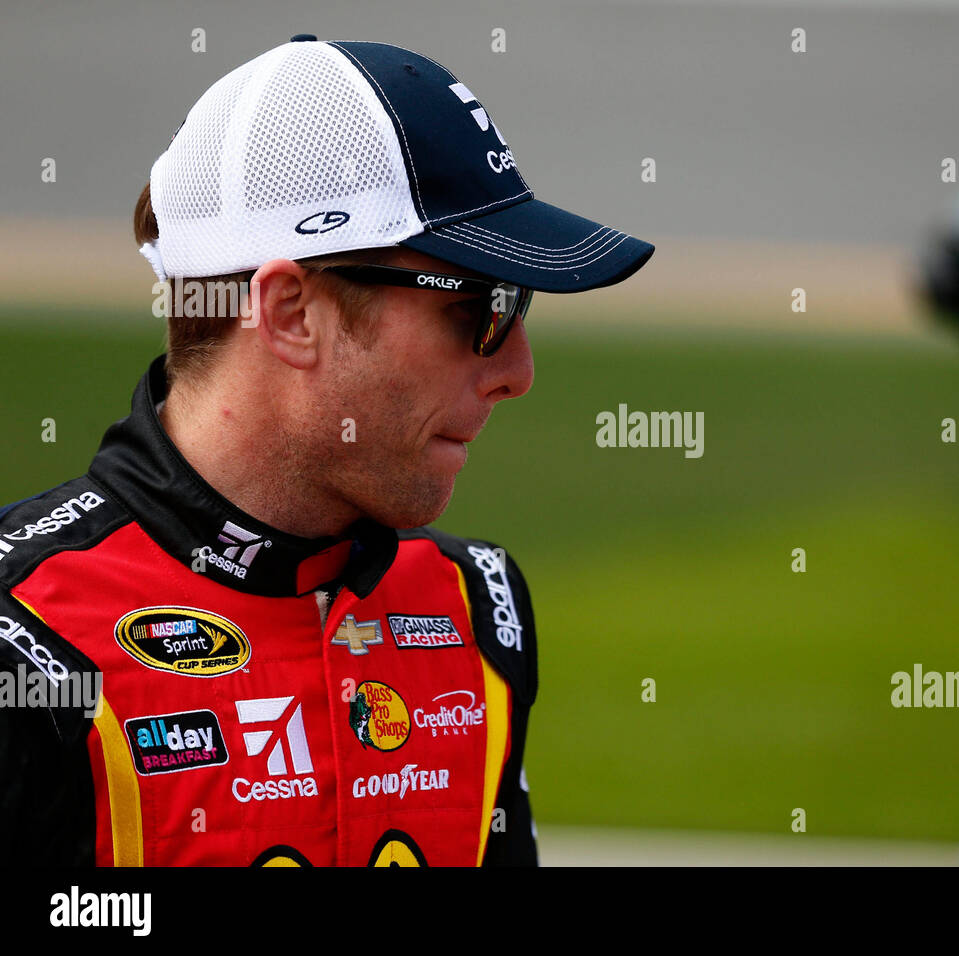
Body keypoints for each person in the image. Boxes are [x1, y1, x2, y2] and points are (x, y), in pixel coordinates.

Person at [0, 35, 653, 866]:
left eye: (518, 304)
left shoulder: (476, 608)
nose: (517, 373)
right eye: (478, 307)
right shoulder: (26, 638)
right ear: (291, 314)